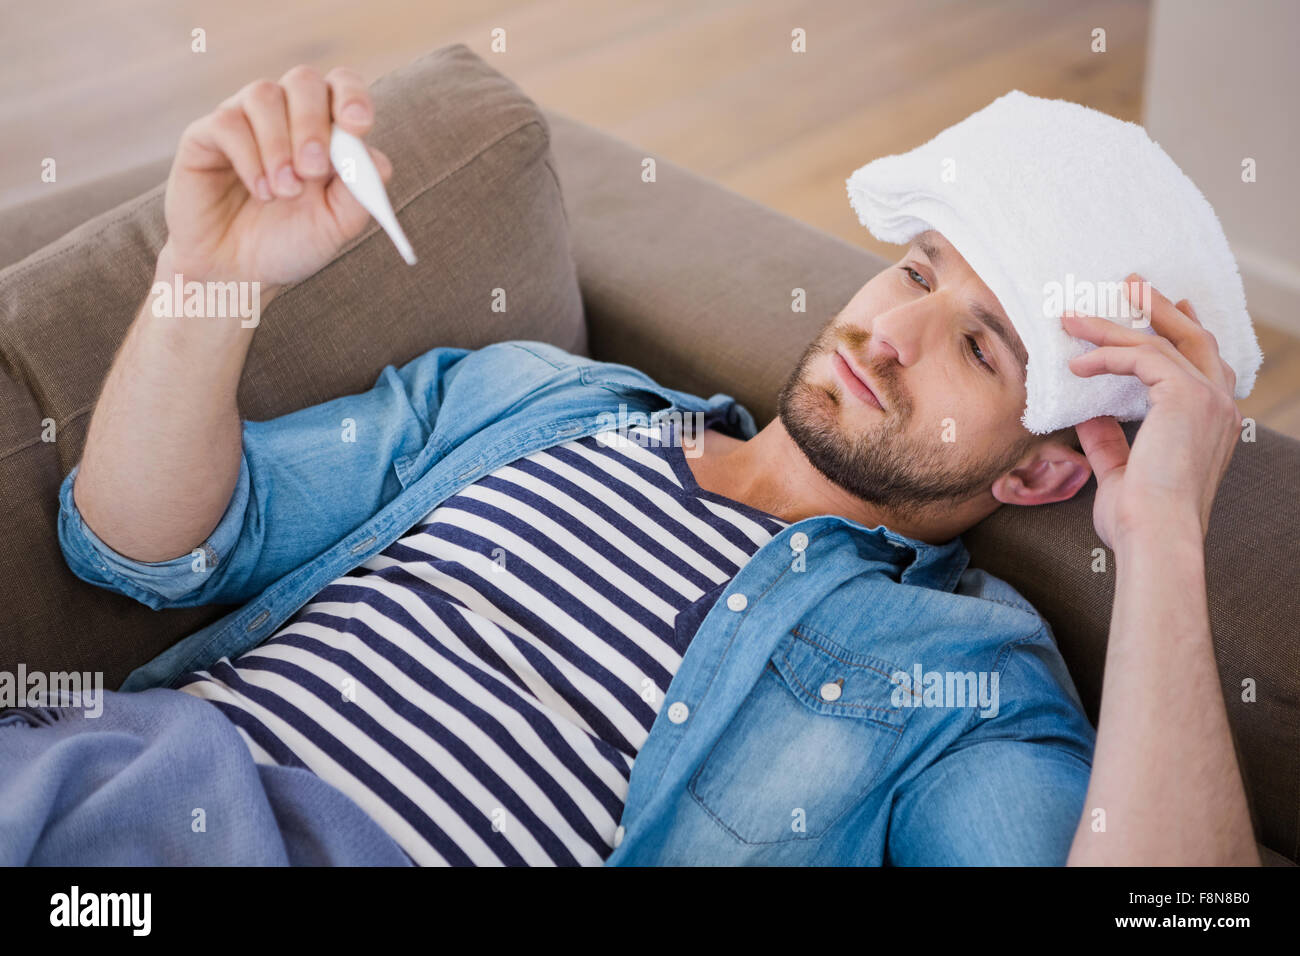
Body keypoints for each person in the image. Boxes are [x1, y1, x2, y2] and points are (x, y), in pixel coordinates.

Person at [14, 66, 1257, 865]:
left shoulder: (957, 673)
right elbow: (143, 544)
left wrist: (1162, 545)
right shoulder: (535, 395)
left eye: (979, 349)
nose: (892, 332)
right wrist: (206, 275)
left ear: (1042, 476)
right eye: (917, 273)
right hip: (116, 792)